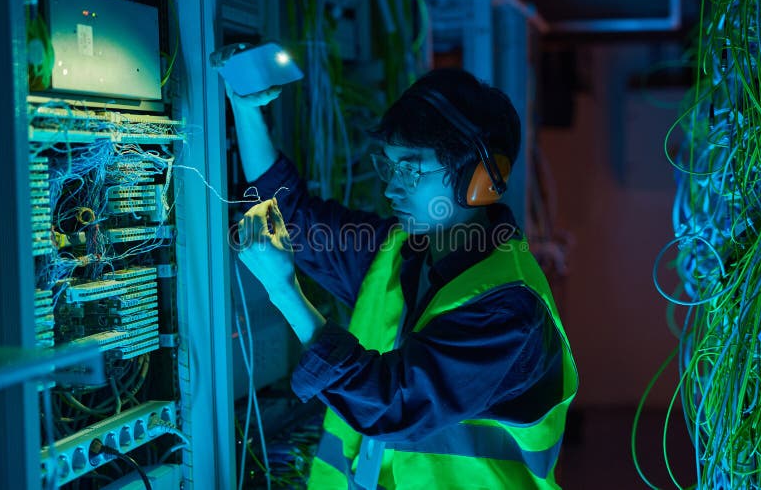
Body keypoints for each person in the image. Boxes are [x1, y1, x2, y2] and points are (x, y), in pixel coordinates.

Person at [229, 66, 578, 489]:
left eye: (410, 170)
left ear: (480, 181)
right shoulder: (400, 253)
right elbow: (291, 217)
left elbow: (391, 404)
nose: (392, 189)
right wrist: (244, 109)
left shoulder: (509, 311)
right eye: (390, 167)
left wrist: (284, 292)